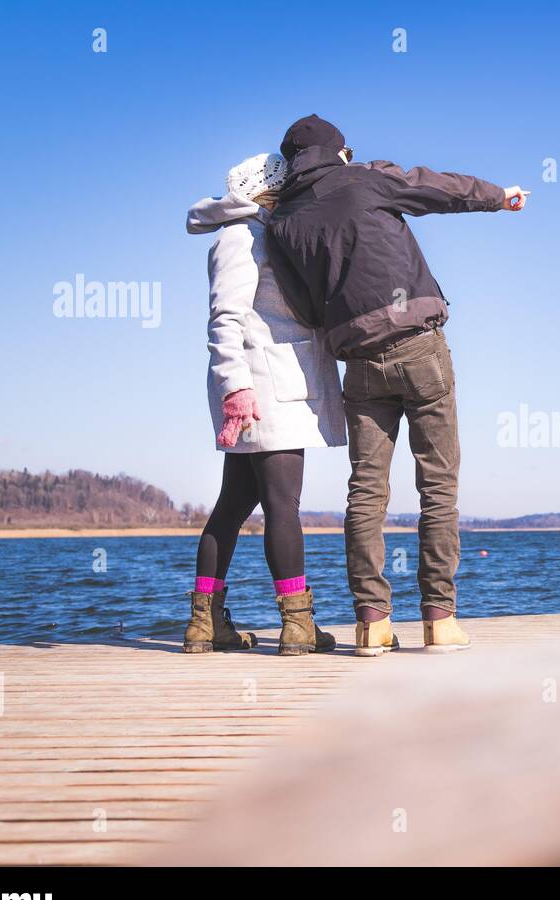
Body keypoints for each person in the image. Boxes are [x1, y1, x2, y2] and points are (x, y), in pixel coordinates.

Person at [266, 114, 527, 656]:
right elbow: (435, 187)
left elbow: (302, 306)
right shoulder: (363, 178)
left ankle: (371, 625)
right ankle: (439, 618)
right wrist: (500, 196)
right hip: (419, 346)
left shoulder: (282, 223)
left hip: (357, 362)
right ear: (337, 151)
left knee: (365, 492)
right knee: (438, 486)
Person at [182, 152, 347, 655]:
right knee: (283, 505)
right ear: (267, 191)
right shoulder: (241, 237)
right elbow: (224, 321)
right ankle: (297, 624)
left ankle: (205, 624)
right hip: (261, 393)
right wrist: (235, 388)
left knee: (233, 505)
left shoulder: (256, 231)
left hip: (263, 390)